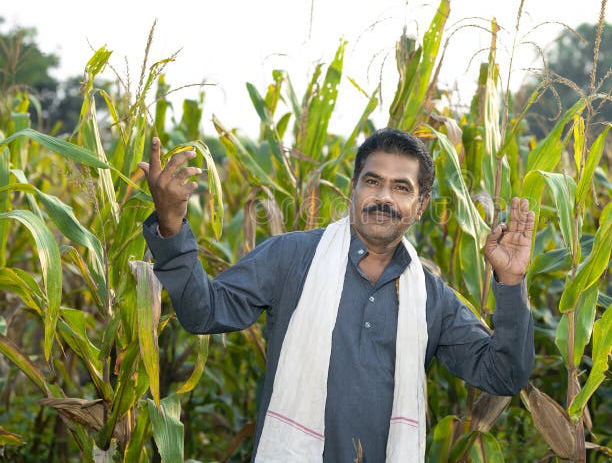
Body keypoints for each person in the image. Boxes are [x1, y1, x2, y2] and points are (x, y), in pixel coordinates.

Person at [139, 127, 535, 462]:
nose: (384, 198)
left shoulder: (430, 297)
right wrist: (172, 226)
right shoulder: (290, 257)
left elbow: (504, 375)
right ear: (353, 188)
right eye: (373, 181)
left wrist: (512, 282)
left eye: (401, 188)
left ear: (420, 205)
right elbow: (202, 313)